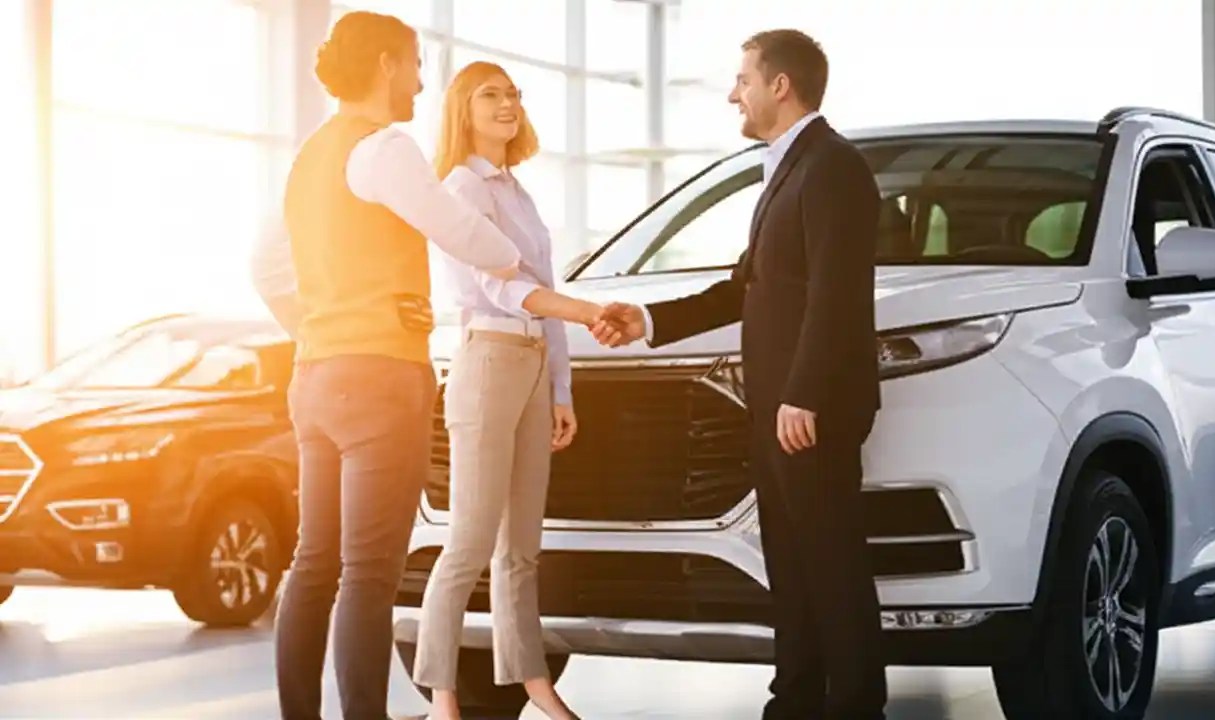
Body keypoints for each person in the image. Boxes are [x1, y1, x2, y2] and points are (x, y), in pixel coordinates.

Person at [250, 11, 546, 720]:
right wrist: (520, 264)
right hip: (380, 381)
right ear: (386, 64)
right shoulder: (386, 147)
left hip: (316, 376)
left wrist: (323, 324)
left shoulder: (309, 155)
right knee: (369, 573)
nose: (419, 80)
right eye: (415, 64)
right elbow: (462, 231)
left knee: (314, 563)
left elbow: (265, 265)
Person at [591, 29, 887, 720]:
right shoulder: (787, 169)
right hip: (777, 405)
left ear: (780, 86)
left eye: (743, 80)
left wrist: (803, 395)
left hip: (807, 405)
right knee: (792, 565)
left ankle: (854, 707)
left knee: (831, 562)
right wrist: (647, 320)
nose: (734, 93)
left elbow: (835, 294)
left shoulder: (833, 167)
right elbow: (743, 290)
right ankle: (796, 701)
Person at [411, 61, 593, 720]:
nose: (507, 103)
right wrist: (581, 310)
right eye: (491, 94)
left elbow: (542, 296)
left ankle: (533, 683)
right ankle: (442, 696)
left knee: (522, 546)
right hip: (487, 362)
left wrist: (561, 389)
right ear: (463, 108)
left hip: (532, 365)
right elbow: (502, 286)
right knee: (469, 541)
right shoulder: (460, 188)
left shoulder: (517, 191)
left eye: (513, 93)